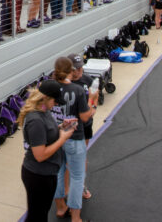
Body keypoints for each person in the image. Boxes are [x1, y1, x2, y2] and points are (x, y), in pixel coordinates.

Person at [18, 80, 76, 222]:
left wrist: (61, 127)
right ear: (46, 98)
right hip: (38, 175)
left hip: (47, 173)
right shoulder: (35, 120)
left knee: (39, 213)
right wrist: (62, 139)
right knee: (37, 216)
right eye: (55, 101)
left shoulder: (44, 111)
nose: (56, 104)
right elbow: (40, 155)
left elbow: (47, 133)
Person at [52, 56, 95, 222]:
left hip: (56, 136)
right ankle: (75, 216)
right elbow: (85, 117)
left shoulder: (50, 87)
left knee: (59, 172)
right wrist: (93, 102)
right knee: (77, 177)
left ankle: (61, 207)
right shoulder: (77, 90)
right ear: (70, 70)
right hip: (74, 137)